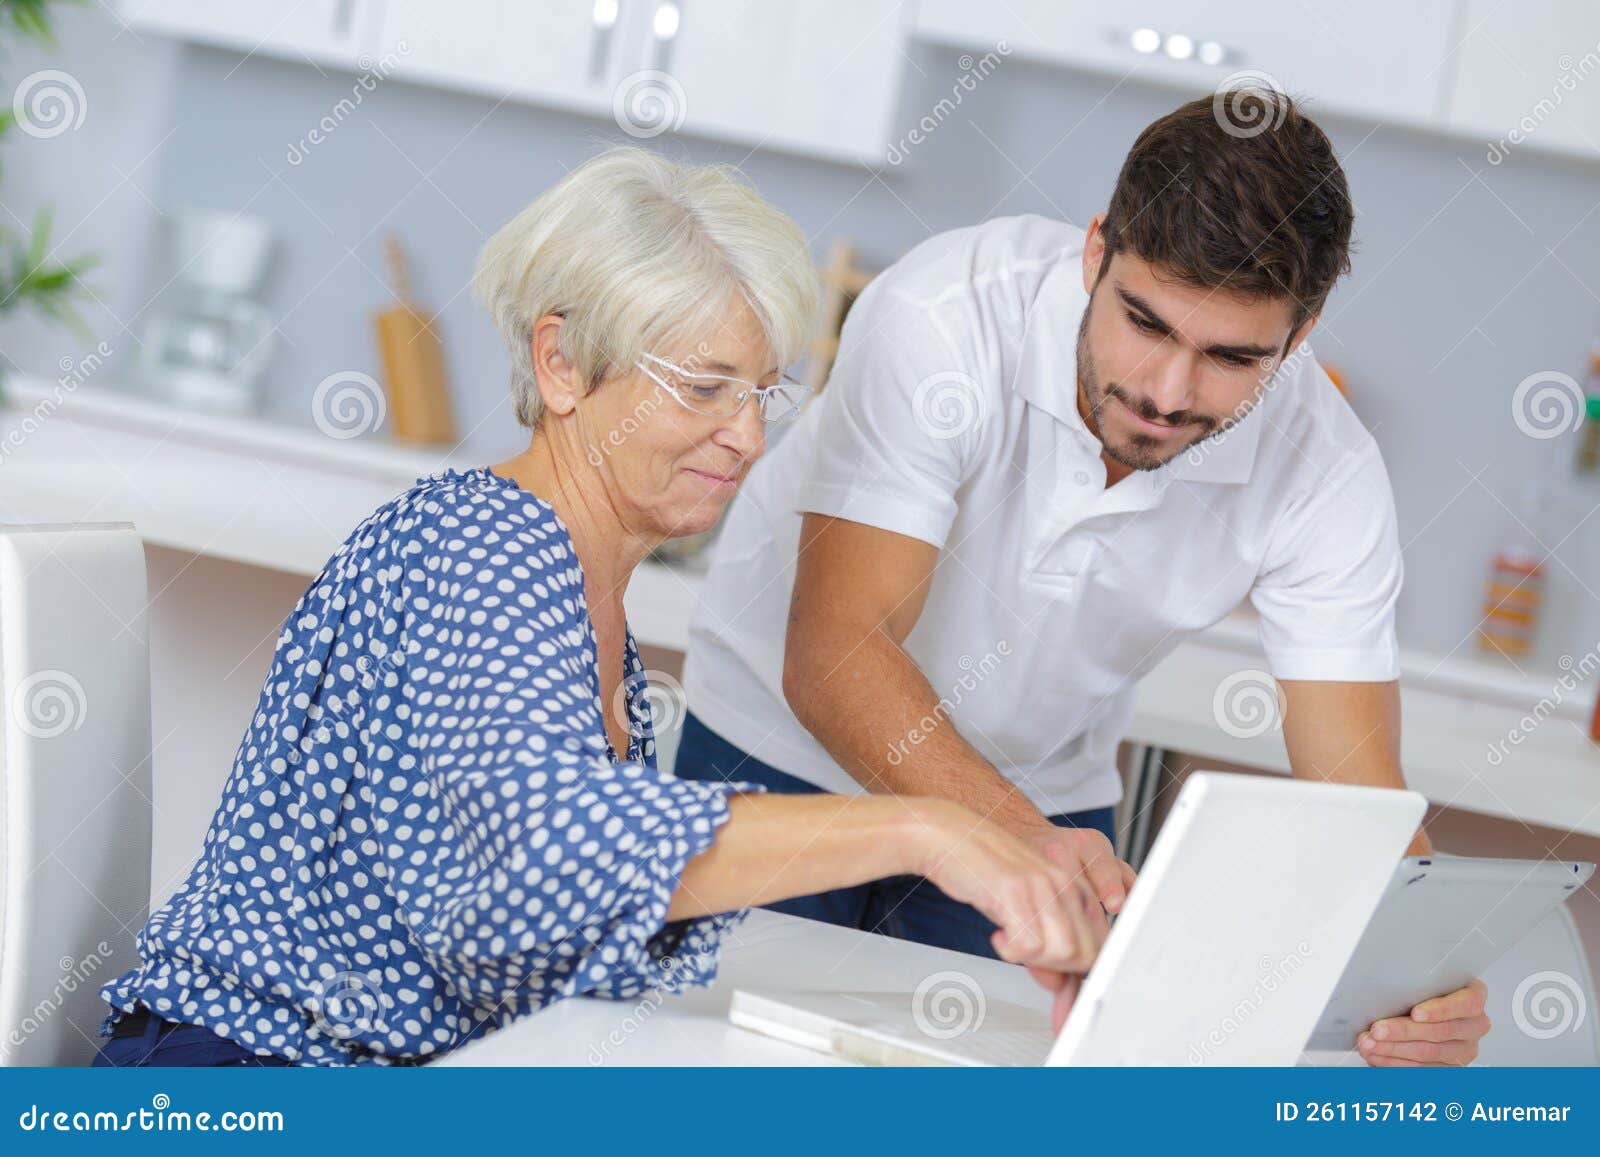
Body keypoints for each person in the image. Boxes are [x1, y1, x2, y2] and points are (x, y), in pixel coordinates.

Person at [93, 148, 1112, 1067]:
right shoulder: (478, 547)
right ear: (563, 364)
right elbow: (555, 842)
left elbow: (514, 921)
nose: (749, 438)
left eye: (763, 393)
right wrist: (925, 829)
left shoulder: (583, 588)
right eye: (705, 387)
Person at [676, 92, 1491, 1066]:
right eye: (1145, 322)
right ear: (1097, 250)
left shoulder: (1327, 469)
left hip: (1039, 787)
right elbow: (836, 655)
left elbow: (1359, 794)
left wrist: (1417, 974)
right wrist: (1028, 843)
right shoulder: (944, 315)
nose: (1165, 392)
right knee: (721, 1079)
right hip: (774, 746)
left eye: (1231, 357)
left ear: (1304, 328)